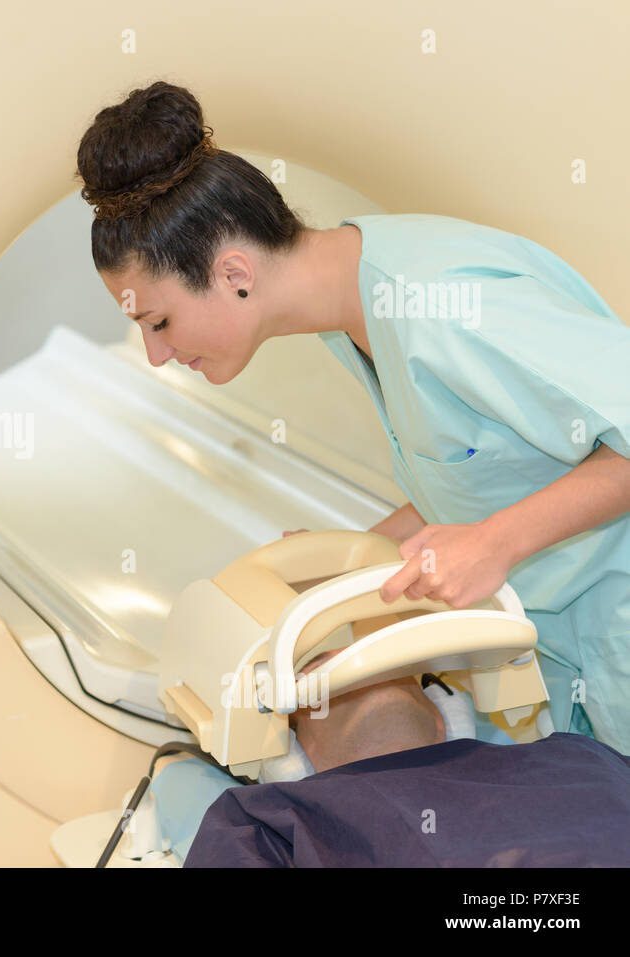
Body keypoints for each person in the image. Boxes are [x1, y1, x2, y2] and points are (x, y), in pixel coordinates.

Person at [74, 81, 630, 754]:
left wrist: (497, 544)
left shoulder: (436, 307)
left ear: (234, 272)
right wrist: (347, 562)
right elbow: (484, 471)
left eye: (158, 321)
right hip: (581, 645)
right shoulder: (356, 310)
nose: (156, 353)